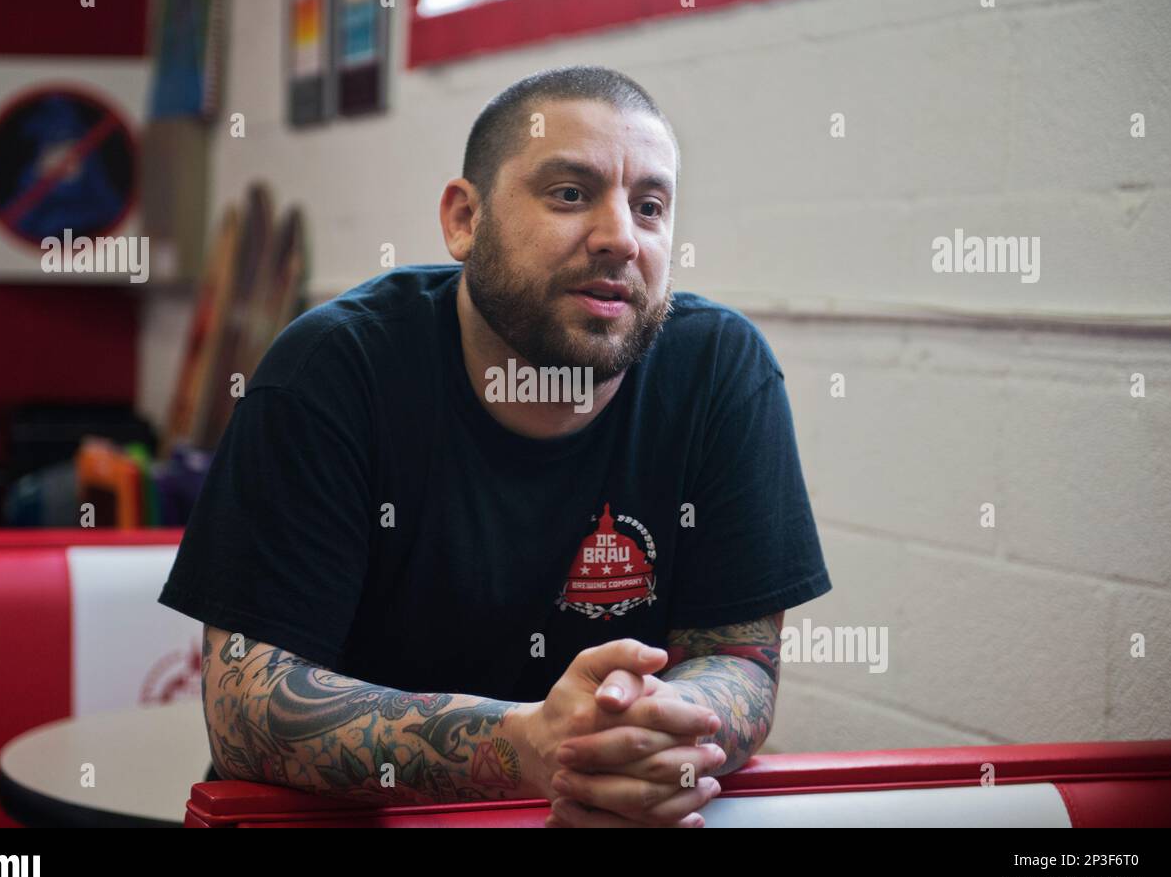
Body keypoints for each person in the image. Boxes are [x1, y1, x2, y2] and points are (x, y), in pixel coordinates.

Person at [160, 65, 831, 828]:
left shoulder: (720, 370)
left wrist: (644, 734)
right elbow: (245, 704)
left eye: (650, 206)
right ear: (463, 219)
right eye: (570, 194)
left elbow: (738, 658)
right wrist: (525, 746)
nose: (620, 237)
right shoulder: (330, 372)